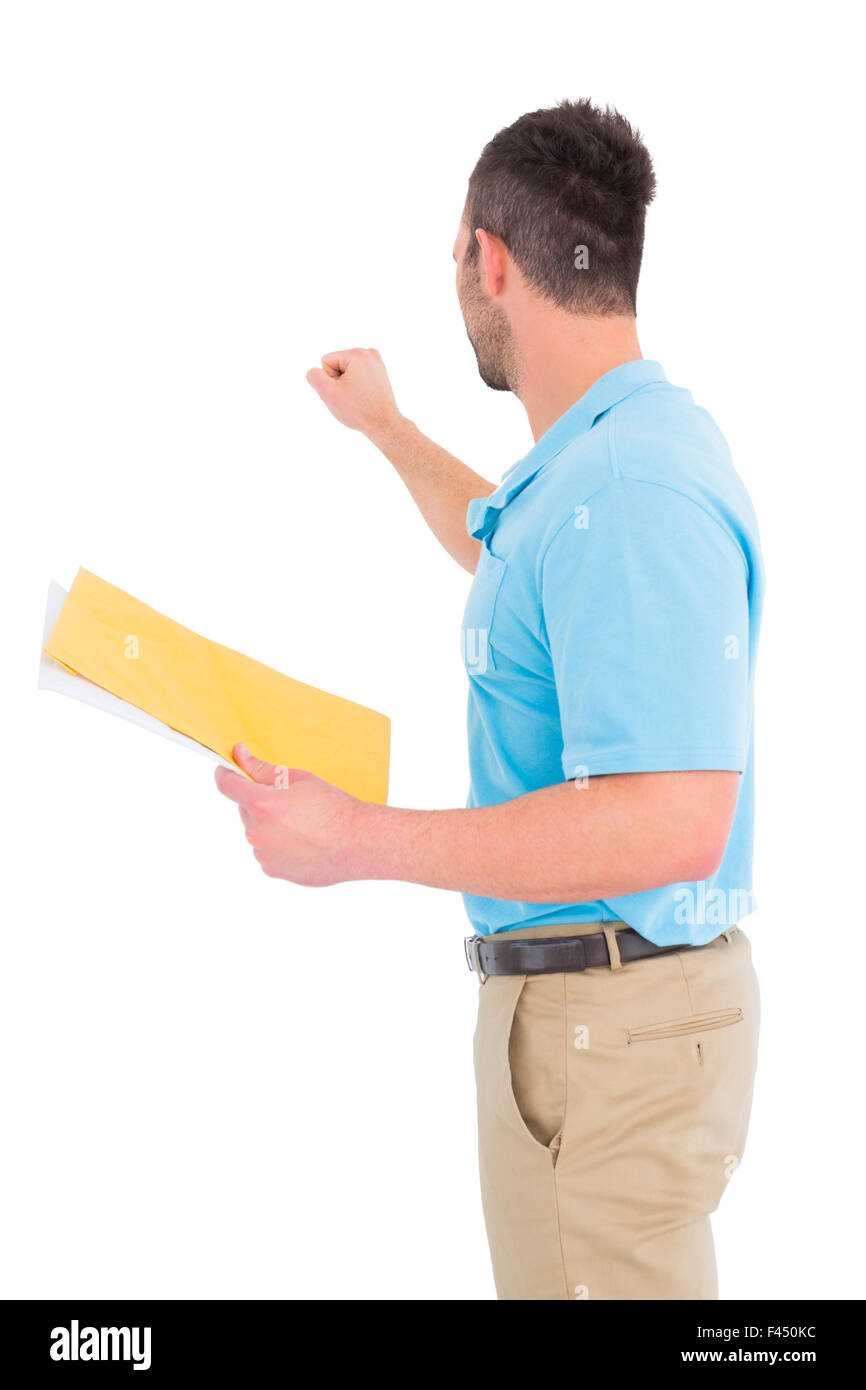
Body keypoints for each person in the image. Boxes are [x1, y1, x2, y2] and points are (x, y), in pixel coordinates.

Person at [215, 98, 764, 1301]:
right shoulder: (608, 457)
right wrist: (388, 429)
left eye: (453, 256)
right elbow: (516, 552)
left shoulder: (623, 483)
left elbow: (675, 820)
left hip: (602, 1035)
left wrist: (354, 838)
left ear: (491, 260)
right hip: (607, 1024)